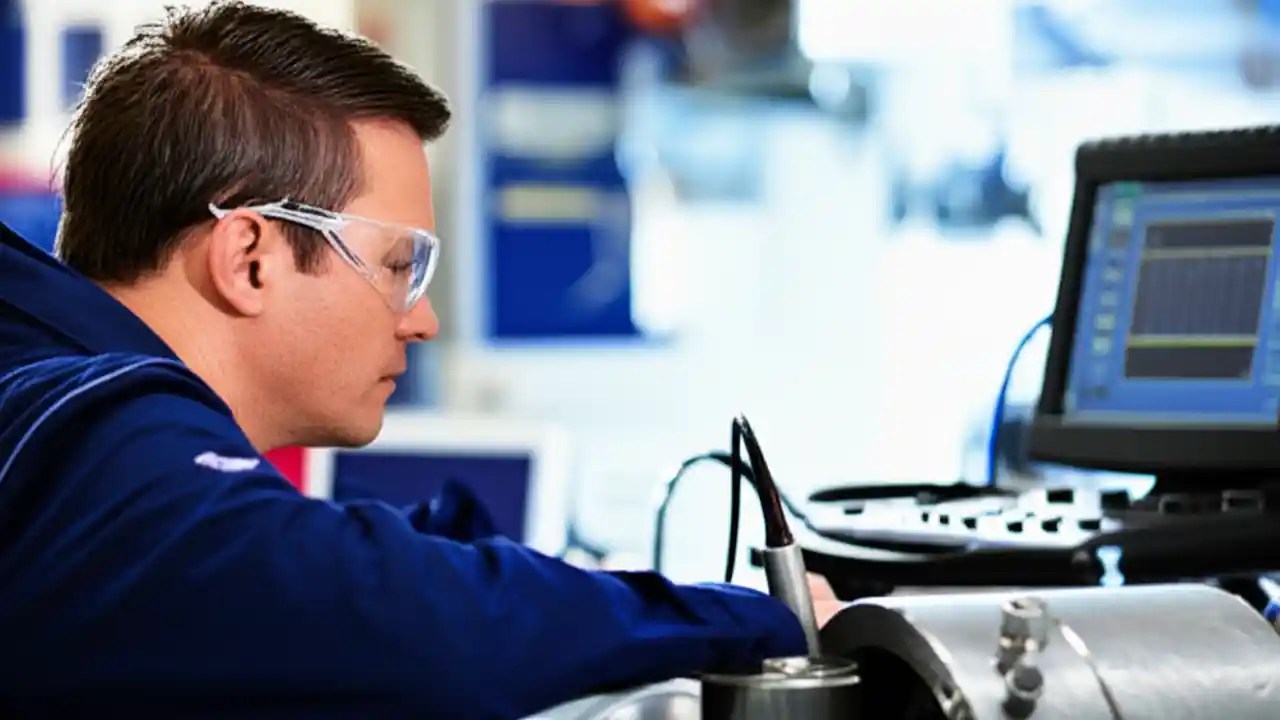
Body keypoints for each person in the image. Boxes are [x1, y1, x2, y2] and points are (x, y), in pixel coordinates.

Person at [0, 2, 841, 717]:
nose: (423, 321)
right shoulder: (91, 436)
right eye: (401, 267)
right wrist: (756, 620)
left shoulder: (46, 399)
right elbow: (382, 617)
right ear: (250, 258)